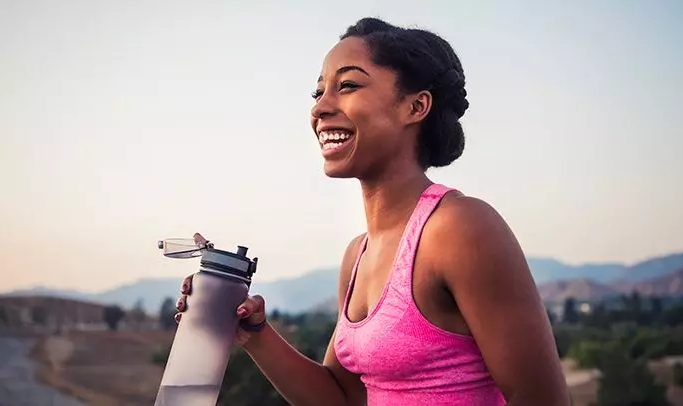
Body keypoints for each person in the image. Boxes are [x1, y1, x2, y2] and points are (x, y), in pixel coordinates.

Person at [175, 17, 570, 406]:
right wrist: (254, 332)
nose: (322, 108)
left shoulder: (460, 228)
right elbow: (342, 398)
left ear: (415, 106)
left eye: (347, 85)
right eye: (318, 93)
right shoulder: (357, 255)